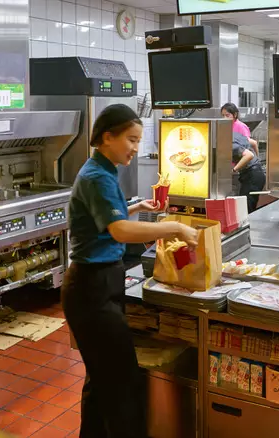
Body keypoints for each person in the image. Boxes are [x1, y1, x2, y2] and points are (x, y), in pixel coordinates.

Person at [61, 104, 199, 437]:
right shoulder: (97, 175)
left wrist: (136, 206)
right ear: (107, 136)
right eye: (131, 140)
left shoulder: (102, 169)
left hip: (97, 283)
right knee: (122, 384)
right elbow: (119, 231)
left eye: (139, 141)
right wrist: (174, 228)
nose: (135, 149)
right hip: (92, 289)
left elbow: (106, 219)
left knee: (100, 381)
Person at [232, 132, 266, 213]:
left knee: (246, 209)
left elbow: (249, 155)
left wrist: (234, 170)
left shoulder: (230, 144)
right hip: (257, 172)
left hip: (251, 175)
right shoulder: (235, 134)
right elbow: (254, 143)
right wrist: (257, 160)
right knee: (246, 206)